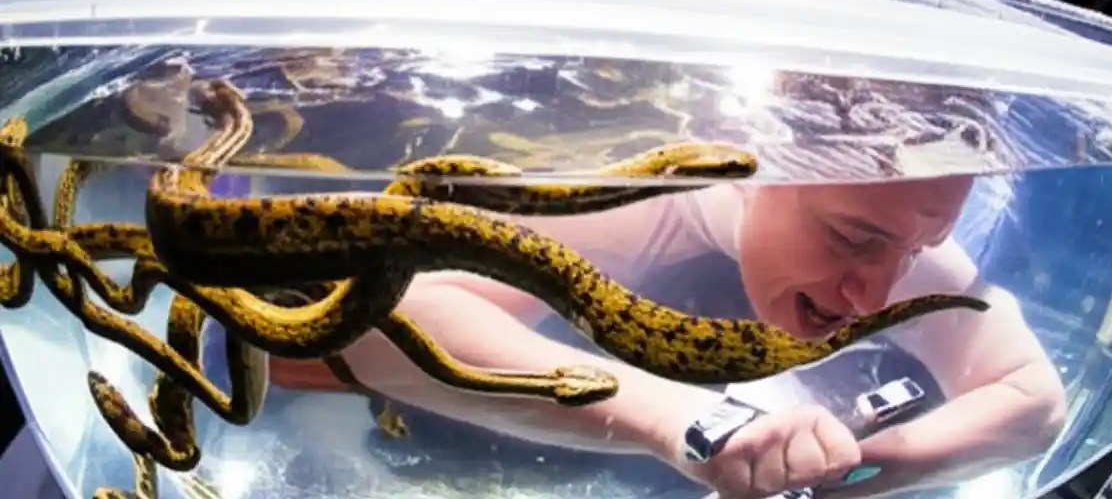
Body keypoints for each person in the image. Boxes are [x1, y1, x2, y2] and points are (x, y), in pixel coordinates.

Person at [270, 87, 1067, 499]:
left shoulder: (886, 215)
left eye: (917, 249)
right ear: (760, 161)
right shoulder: (639, 196)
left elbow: (1033, 397)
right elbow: (376, 322)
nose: (875, 294)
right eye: (854, 241)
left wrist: (855, 471)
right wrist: (691, 426)